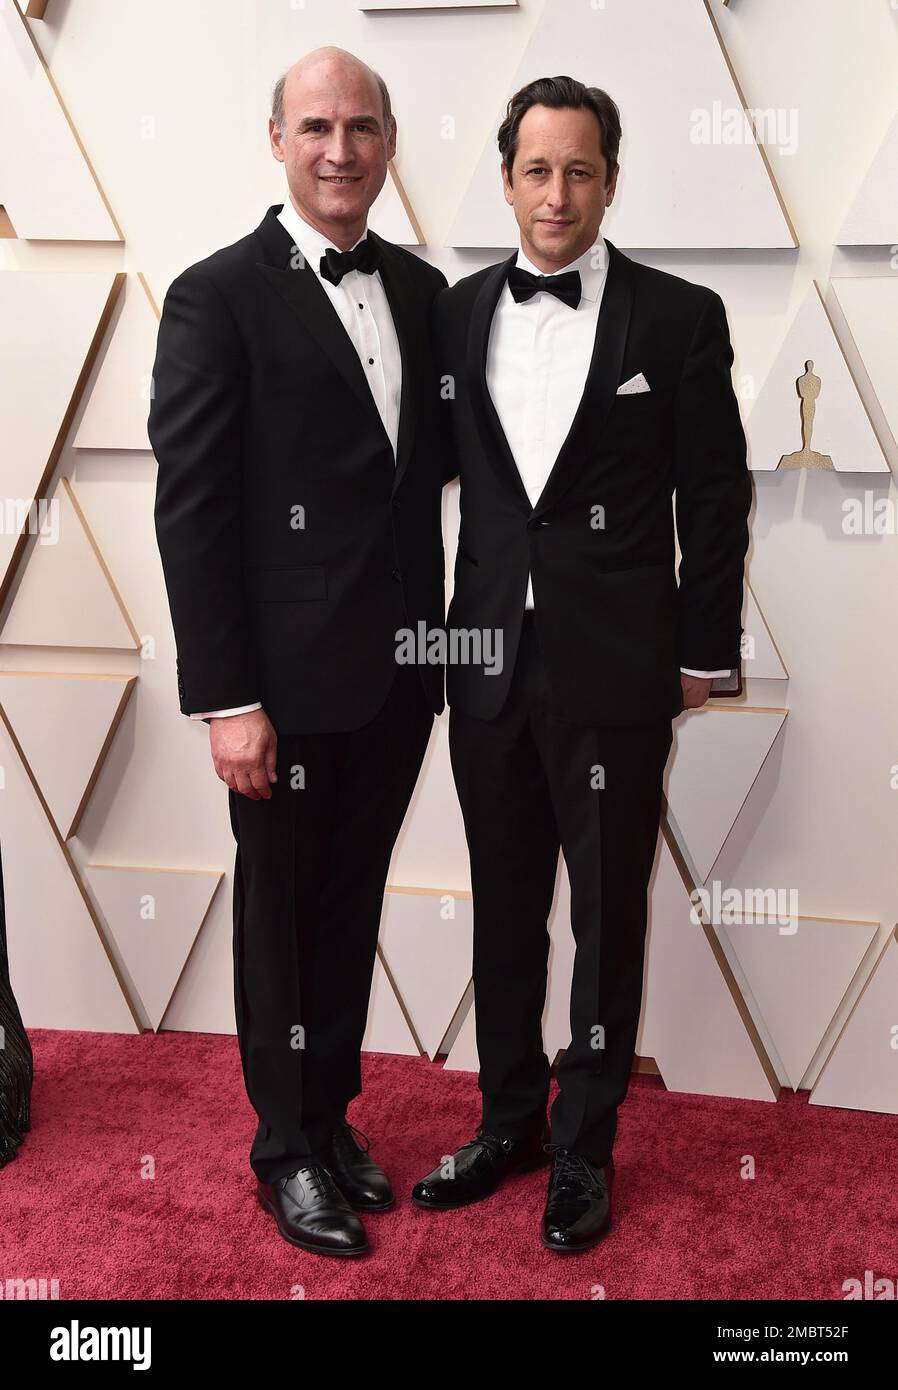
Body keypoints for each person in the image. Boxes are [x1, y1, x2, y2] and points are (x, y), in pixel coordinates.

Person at [413, 76, 752, 1251]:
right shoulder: (456, 313)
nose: (555, 193)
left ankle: (582, 1147)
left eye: (579, 171)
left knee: (606, 920)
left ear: (609, 181)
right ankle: (507, 1120)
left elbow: (715, 497)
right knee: (503, 907)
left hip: (617, 669)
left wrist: (703, 650)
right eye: (536, 170)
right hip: (485, 661)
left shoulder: (678, 316)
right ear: (507, 180)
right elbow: (416, 485)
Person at [149, 47, 446, 1258]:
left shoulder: (422, 290)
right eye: (316, 126)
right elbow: (194, 510)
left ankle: (329, 1118)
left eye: (361, 126)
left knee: (349, 904)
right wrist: (228, 698)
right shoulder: (214, 296)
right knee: (278, 921)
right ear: (277, 139)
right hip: (277, 689)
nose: (340, 148)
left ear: (388, 142)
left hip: (398, 676)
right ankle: (283, 1152)